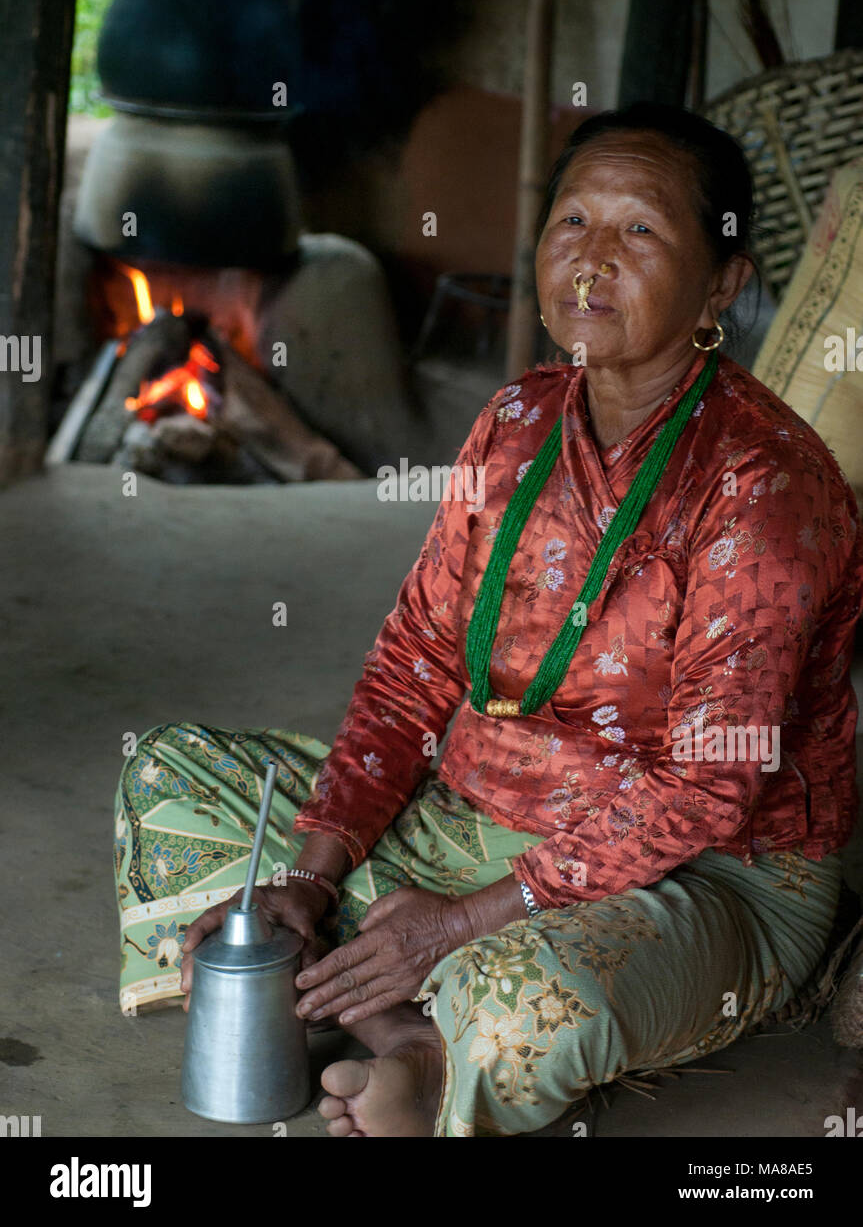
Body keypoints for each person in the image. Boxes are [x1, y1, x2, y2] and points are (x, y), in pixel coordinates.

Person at [114, 102, 863, 1138]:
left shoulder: (759, 484)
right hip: (474, 809)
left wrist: (463, 921)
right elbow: (413, 662)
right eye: (571, 223)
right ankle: (406, 1030)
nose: (592, 260)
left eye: (638, 230)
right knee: (164, 771)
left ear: (721, 285)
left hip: (708, 875)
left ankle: (410, 1009)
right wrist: (304, 873)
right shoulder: (515, 422)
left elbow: (708, 781)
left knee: (535, 1008)